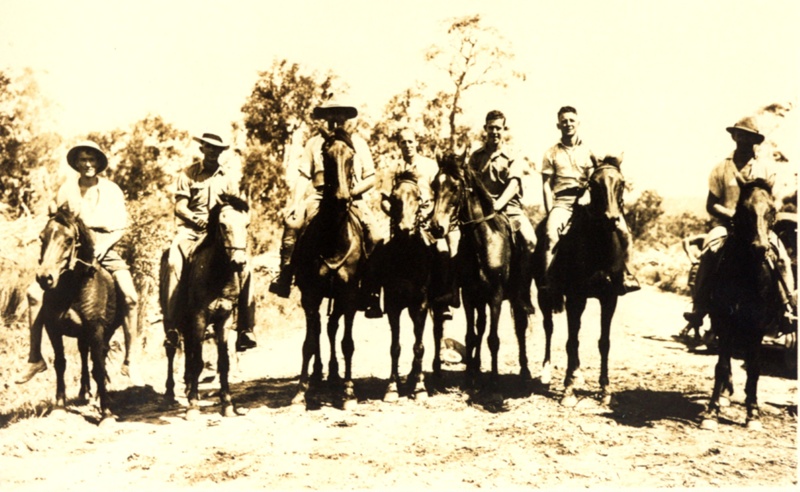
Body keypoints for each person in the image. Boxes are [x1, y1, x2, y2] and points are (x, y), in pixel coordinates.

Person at [17, 141, 141, 384]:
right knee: (34, 293)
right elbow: (57, 222)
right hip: (71, 248)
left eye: (92, 159)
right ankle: (35, 358)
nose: (87, 164)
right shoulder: (66, 189)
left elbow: (121, 227)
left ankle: (131, 360)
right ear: (76, 163)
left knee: (130, 297)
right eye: (83, 159)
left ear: (99, 163)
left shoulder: (112, 190)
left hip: (104, 244)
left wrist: (104, 246)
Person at [268, 100, 382, 317]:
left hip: (353, 197)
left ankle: (371, 291)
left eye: (340, 114)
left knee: (376, 236)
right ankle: (284, 276)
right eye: (331, 114)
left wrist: (353, 192)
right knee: (292, 223)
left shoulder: (358, 142)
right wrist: (294, 203)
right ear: (325, 117)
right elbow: (303, 175)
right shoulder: (314, 143)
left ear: (346, 118)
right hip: (320, 196)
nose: (335, 118)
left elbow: (371, 176)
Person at [683, 117, 795, 330]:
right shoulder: (721, 168)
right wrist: (733, 216)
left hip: (759, 226)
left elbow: (773, 204)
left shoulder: (765, 169)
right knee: (710, 251)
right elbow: (711, 204)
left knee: (781, 257)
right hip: (727, 224)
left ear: (756, 140)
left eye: (749, 136)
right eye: (740, 134)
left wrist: (761, 221)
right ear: (733, 136)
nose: (743, 140)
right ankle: (699, 306)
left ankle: (787, 307)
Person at [163, 132, 256, 352]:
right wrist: (195, 219)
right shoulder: (188, 174)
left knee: (247, 268)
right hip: (191, 231)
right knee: (174, 262)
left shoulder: (228, 177)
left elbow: (237, 207)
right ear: (202, 148)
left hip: (220, 234)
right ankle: (173, 325)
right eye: (209, 147)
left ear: (222, 151)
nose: (213, 152)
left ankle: (245, 327)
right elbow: (180, 206)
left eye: (218, 148)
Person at [540, 106, 639, 294]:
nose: (568, 124)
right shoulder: (551, 153)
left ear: (578, 123)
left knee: (623, 231)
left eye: (571, 120)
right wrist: (550, 211)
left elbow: (600, 175)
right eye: (564, 121)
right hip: (562, 203)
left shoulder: (589, 151)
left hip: (587, 202)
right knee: (551, 235)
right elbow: (546, 185)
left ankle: (627, 274)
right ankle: (549, 281)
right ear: (558, 125)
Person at [376, 128, 460, 318]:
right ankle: (375, 296)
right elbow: (384, 200)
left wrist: (430, 215)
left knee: (443, 250)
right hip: (400, 220)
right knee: (378, 244)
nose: (407, 145)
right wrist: (396, 214)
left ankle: (444, 297)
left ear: (417, 143)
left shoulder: (430, 166)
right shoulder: (393, 168)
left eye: (410, 141)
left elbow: (440, 194)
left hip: (427, 220)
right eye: (403, 142)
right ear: (399, 145)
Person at [467, 110, 535, 314]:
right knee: (458, 241)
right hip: (481, 213)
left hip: (509, 209)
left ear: (504, 129)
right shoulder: (476, 157)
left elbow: (514, 184)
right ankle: (454, 290)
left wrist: (498, 204)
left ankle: (523, 293)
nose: (494, 131)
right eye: (491, 127)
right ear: (485, 129)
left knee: (530, 241)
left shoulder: (513, 154)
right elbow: (469, 185)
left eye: (498, 127)